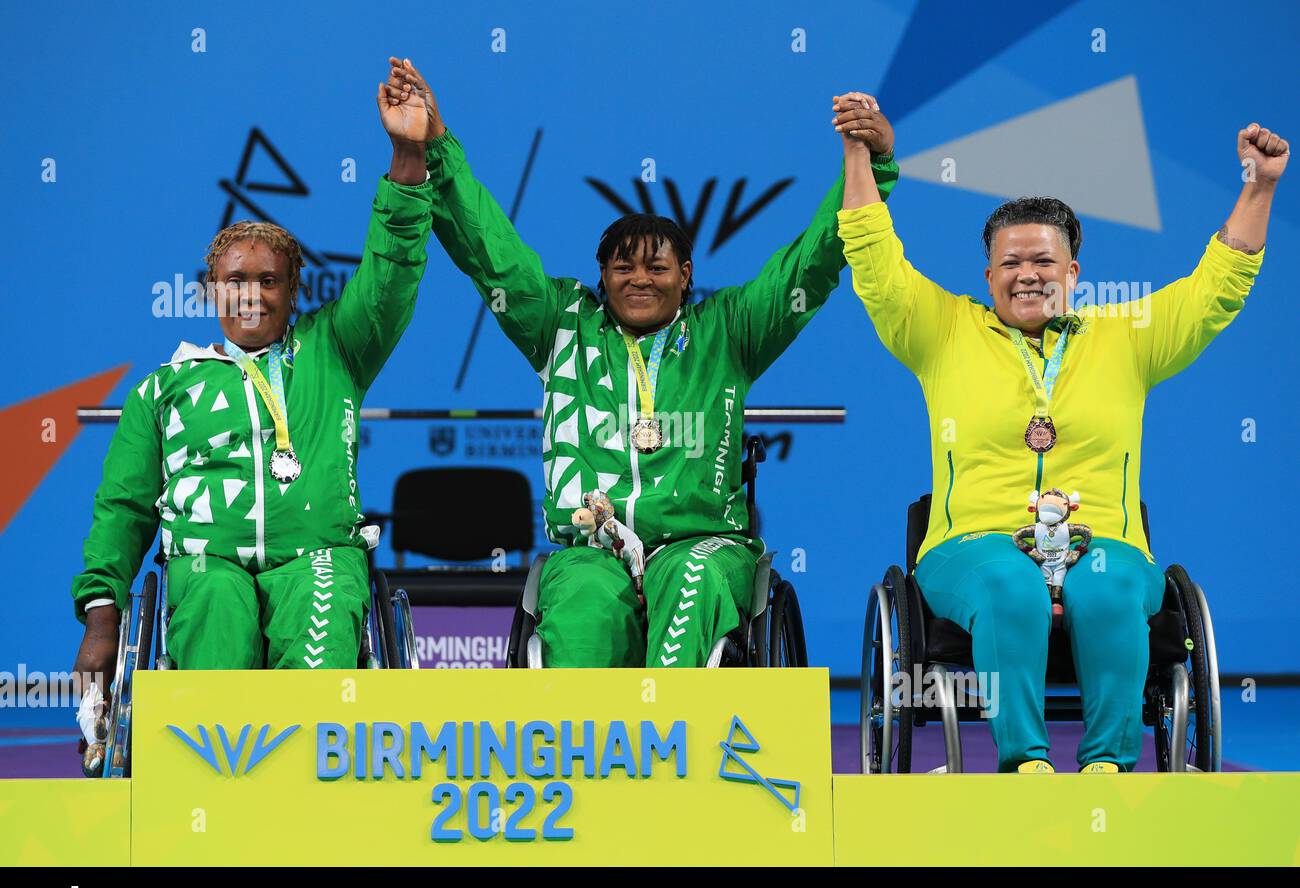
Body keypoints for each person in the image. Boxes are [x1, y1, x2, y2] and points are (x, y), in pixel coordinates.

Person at [386, 61, 899, 666]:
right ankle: (583, 760)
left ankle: (671, 752)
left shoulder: (729, 330)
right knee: (580, 608)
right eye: (623, 267)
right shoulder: (561, 325)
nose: (639, 279)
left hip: (701, 544)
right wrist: (436, 148)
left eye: (658, 268)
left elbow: (810, 263)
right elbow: (488, 250)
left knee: (689, 586)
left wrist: (872, 165)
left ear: (685, 277)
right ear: (601, 277)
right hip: (591, 549)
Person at [834, 93, 1287, 772]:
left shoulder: (1127, 338)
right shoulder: (941, 331)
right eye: (1011, 262)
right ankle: (1028, 768)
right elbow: (873, 261)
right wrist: (860, 153)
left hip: (1103, 539)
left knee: (1106, 585)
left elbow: (1216, 289)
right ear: (988, 276)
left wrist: (1260, 183)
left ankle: (1107, 768)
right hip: (974, 545)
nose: (1028, 274)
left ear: (1073, 273)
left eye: (1044, 261)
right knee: (1009, 585)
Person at [71, 57, 440, 691]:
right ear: (211, 291)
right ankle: (217, 788)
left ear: (295, 288)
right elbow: (123, 510)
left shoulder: (336, 350)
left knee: (320, 616)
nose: (251, 294)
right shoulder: (163, 390)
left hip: (318, 558)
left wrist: (408, 156)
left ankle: (308, 785)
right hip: (209, 563)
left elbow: (391, 272)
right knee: (214, 607)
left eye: (268, 280)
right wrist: (103, 619)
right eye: (235, 280)